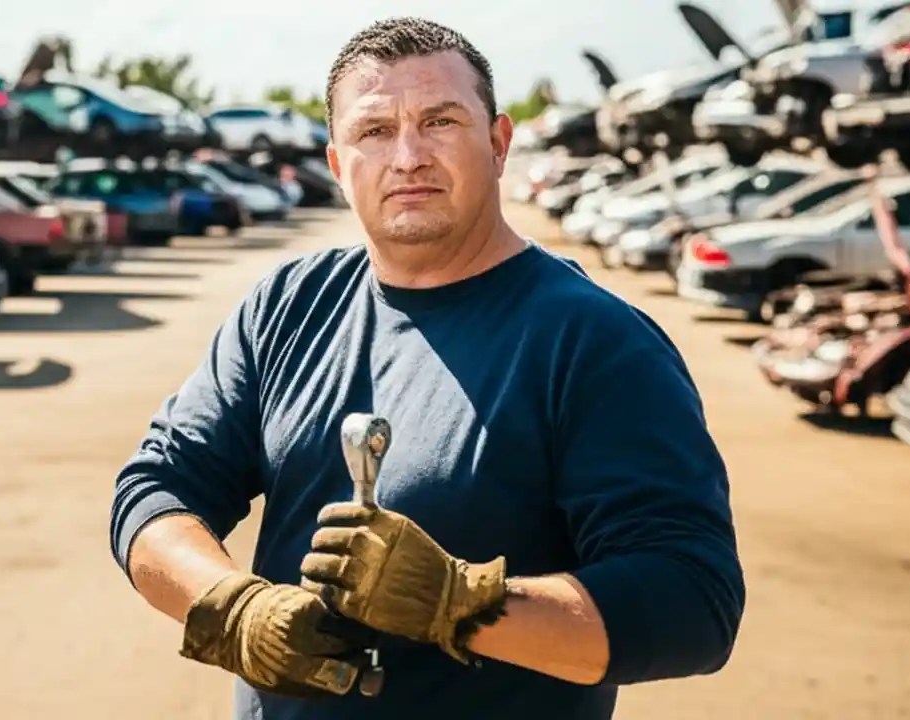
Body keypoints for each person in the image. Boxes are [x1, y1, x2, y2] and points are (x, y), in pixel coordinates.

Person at [110, 16, 746, 720]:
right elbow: (156, 489)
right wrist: (233, 610)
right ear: (336, 162)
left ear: (499, 144)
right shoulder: (287, 308)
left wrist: (461, 604)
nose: (407, 156)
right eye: (375, 131)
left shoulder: (594, 341)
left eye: (439, 121)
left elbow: (694, 602)